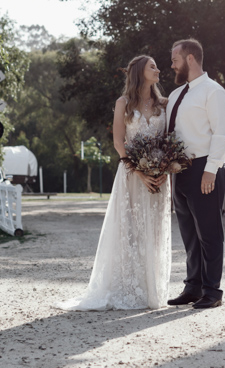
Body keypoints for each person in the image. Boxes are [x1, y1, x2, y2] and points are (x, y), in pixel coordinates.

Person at [56, 55, 171, 311]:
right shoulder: (124, 103)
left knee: (154, 232)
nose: (158, 69)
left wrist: (165, 170)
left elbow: (169, 140)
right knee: (129, 231)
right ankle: (126, 288)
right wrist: (139, 171)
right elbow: (119, 142)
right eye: (153, 66)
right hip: (132, 176)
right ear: (141, 71)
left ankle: (152, 291)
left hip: (160, 177)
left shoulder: (165, 103)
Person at [166, 38, 225, 309]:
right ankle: (192, 287)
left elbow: (221, 133)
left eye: (175, 60)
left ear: (190, 59)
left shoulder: (213, 91)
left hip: (205, 169)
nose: (172, 65)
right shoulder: (176, 94)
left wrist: (210, 171)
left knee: (209, 233)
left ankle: (212, 291)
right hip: (179, 172)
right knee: (189, 234)